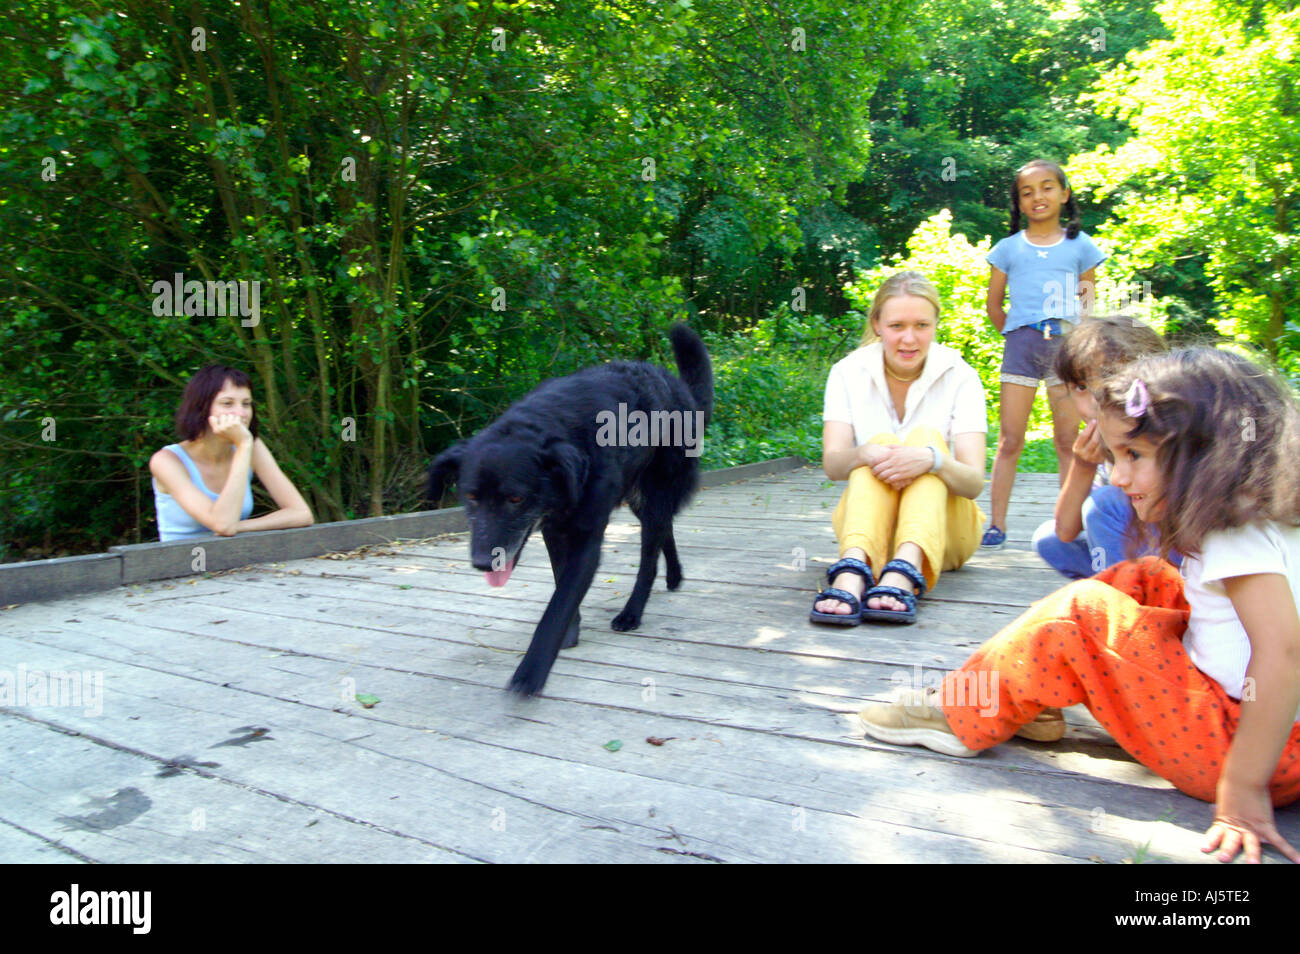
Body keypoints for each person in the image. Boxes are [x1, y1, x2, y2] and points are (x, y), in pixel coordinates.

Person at [860, 347, 1300, 864]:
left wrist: (1244, 789)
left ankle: (960, 712)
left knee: (1081, 614)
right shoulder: (1268, 513)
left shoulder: (1235, 534)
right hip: (1274, 740)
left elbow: (1284, 654)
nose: (1117, 476)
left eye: (1134, 456)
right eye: (1116, 457)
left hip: (1236, 747)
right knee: (1150, 578)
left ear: (1206, 454)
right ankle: (1029, 687)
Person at [810, 271, 987, 626]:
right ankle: (852, 571)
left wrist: (932, 460)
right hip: (869, 530)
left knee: (925, 441)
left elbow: (973, 482)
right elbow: (833, 464)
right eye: (897, 326)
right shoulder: (847, 373)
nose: (909, 339)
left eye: (922, 325)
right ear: (877, 324)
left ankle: (905, 569)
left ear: (936, 323)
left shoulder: (961, 375)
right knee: (879, 444)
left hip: (947, 534)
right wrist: (866, 454)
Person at [981, 159, 1107, 550]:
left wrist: (1079, 346)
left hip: (1066, 348)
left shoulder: (1080, 245)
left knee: (1068, 438)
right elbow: (994, 303)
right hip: (1021, 346)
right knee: (1009, 439)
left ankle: (1069, 526)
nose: (1038, 197)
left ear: (1064, 194)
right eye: (1027, 191)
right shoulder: (1008, 249)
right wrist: (1017, 332)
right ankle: (996, 524)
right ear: (1018, 203)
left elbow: (1088, 300)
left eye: (1047, 187)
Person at [1032, 315, 1180, 578]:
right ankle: (1118, 582)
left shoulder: (1167, 435)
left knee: (1105, 504)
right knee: (1049, 540)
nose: (1093, 403)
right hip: (1139, 550)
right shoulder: (1103, 447)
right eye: (1080, 387)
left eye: (1111, 383)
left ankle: (1126, 599)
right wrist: (1083, 465)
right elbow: (1065, 530)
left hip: (1182, 549)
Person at [149, 365, 314, 541]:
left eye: (246, 404)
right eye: (227, 403)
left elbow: (302, 514)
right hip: (181, 563)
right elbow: (222, 524)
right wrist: (243, 445)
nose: (241, 413)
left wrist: (241, 527)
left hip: (232, 561)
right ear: (201, 408)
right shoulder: (166, 461)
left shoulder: (252, 445)